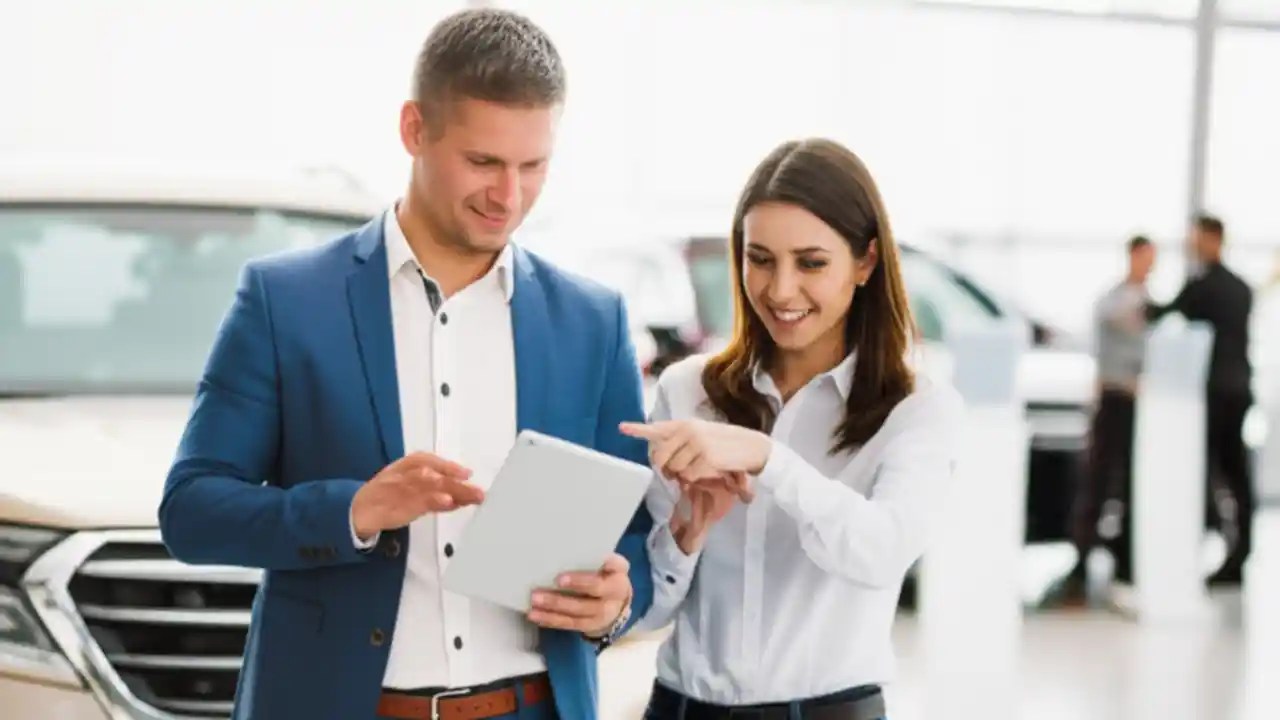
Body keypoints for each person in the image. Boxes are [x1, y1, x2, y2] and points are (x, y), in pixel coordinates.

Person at [157, 9, 652, 720]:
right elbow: (191, 512)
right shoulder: (285, 301)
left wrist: (615, 603)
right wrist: (354, 510)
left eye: (532, 166)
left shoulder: (592, 322)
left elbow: (629, 534)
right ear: (415, 130)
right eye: (483, 162)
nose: (508, 196)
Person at [615, 138, 964, 719]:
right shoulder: (687, 390)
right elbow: (649, 611)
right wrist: (684, 536)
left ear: (866, 262)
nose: (780, 290)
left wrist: (768, 459)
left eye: (811, 263)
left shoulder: (918, 410)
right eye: (760, 259)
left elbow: (881, 553)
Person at [1045, 236, 1156, 606]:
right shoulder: (1118, 299)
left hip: (1140, 405)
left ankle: (1125, 561)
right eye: (1145, 258)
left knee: (1129, 484)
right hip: (1113, 400)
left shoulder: (1149, 301)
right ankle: (1082, 561)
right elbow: (1120, 320)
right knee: (1098, 481)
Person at [1146, 213, 1254, 587]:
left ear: (1212, 238)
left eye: (1195, 238)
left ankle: (1217, 538)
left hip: (1215, 390)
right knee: (1236, 472)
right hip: (1240, 387)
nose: (1191, 244)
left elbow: (1161, 315)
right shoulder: (1241, 287)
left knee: (1210, 471)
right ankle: (1240, 549)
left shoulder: (1202, 285)